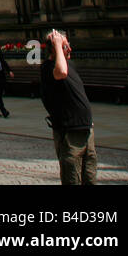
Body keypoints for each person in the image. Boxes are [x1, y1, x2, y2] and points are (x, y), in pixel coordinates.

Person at [40, 29, 96, 185]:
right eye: (65, 47)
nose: (69, 49)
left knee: (90, 177)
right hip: (69, 132)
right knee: (72, 179)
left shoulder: (69, 64)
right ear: (54, 50)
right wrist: (58, 46)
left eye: (68, 45)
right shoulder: (48, 68)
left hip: (86, 129)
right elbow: (61, 73)